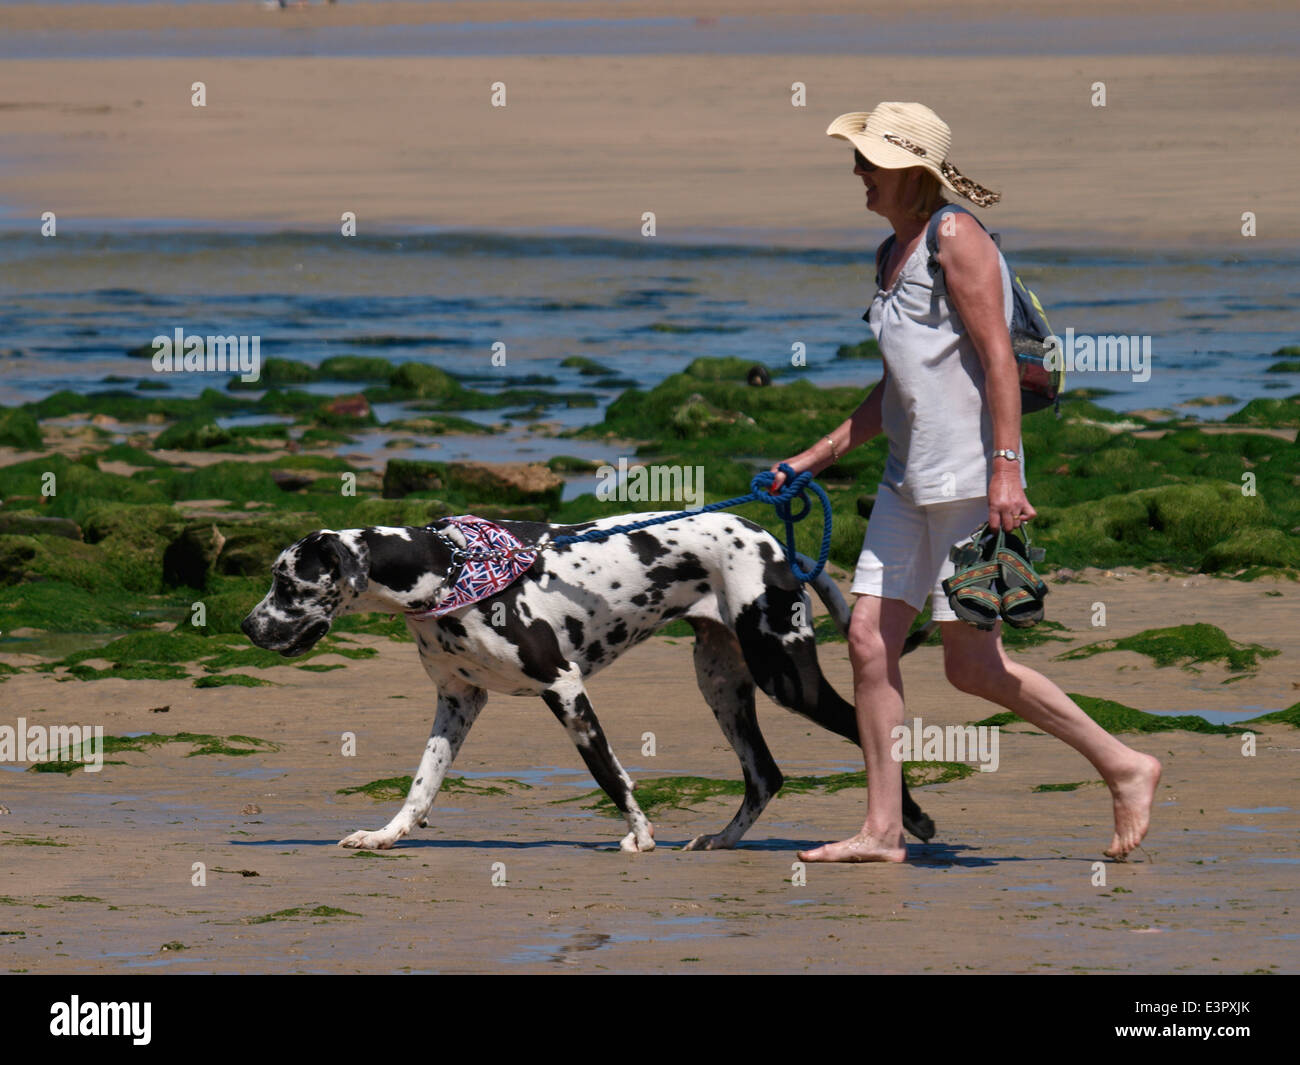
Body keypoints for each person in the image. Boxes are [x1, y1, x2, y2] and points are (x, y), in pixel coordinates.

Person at [768, 102, 1160, 863]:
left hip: (967, 480)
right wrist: (810, 458)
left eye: (869, 160)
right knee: (866, 641)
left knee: (970, 666)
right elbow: (896, 389)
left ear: (912, 171)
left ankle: (1123, 763)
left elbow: (1000, 360)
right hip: (905, 482)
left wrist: (1006, 473)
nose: (856, 172)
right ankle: (881, 829)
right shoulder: (891, 253)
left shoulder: (957, 238)